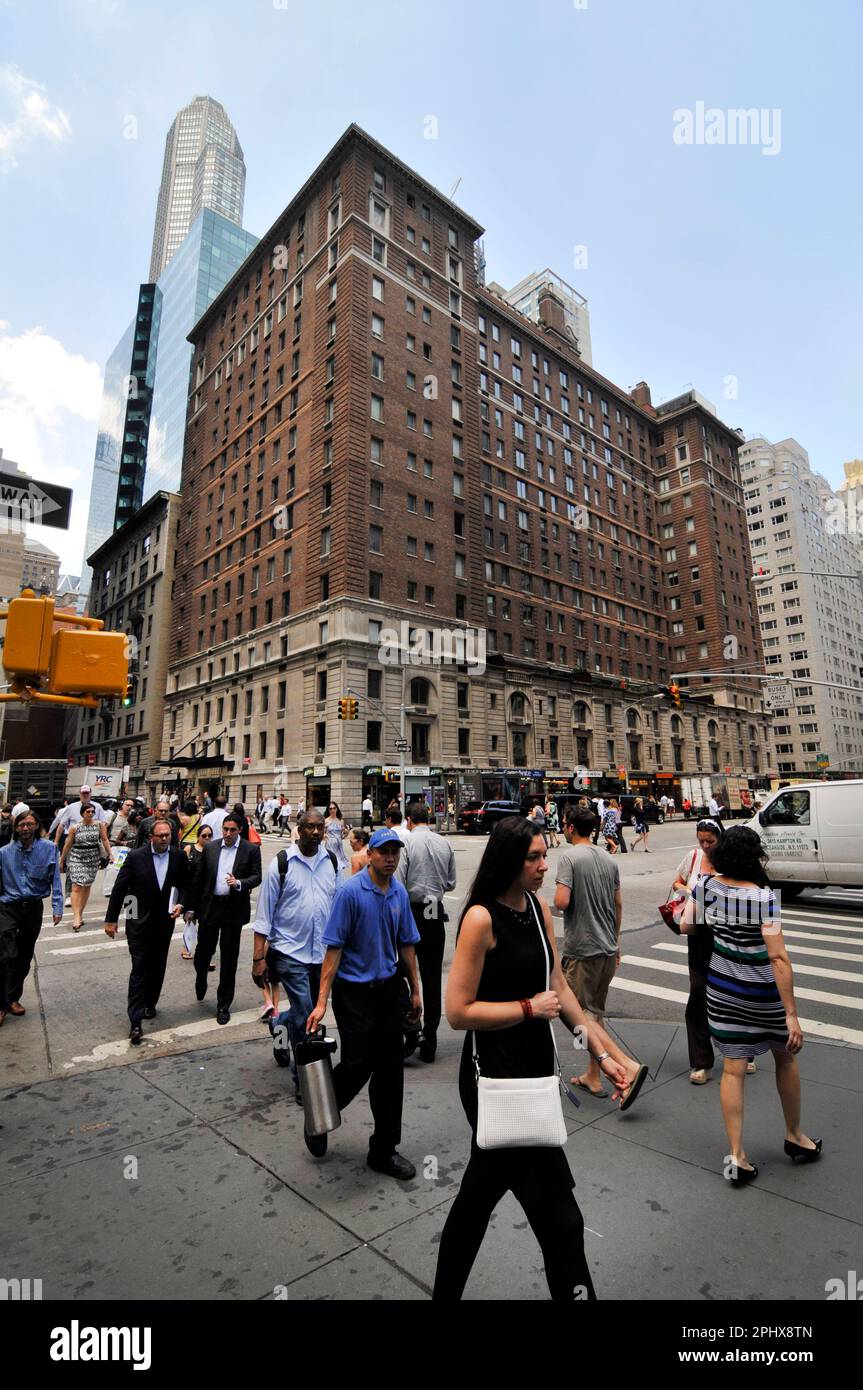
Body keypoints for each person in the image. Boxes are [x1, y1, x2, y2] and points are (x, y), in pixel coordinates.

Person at [432, 816, 634, 1302]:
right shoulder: (481, 917)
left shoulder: (537, 909)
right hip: (495, 1076)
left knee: (479, 1200)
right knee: (560, 1218)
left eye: (546, 855)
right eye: (534, 858)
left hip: (535, 1071)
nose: (545, 865)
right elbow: (457, 1012)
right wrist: (526, 1008)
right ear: (509, 861)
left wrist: (602, 1055)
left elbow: (560, 989)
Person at [680, 825, 821, 1183]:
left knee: (732, 1069)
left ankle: (737, 1156)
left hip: (724, 990)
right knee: (785, 1057)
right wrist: (791, 1014)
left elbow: (687, 925)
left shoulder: (707, 885)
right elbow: (778, 959)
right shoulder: (764, 899)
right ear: (755, 857)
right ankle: (795, 1136)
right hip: (763, 993)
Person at [305, 827, 421, 1175]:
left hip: (389, 990)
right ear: (369, 854)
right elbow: (333, 949)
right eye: (383, 852)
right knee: (358, 1063)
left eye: (394, 853)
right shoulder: (350, 893)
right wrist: (321, 1001)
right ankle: (319, 1115)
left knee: (390, 1071)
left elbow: (407, 945)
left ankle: (384, 1151)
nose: (389, 859)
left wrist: (415, 990)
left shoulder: (398, 892)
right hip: (354, 993)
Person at [554, 806, 648, 1101]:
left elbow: (562, 901)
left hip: (583, 949)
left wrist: (543, 906)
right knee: (593, 1014)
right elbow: (618, 904)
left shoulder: (569, 857)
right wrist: (616, 943)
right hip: (608, 948)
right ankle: (593, 1076)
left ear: (570, 827)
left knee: (576, 1015)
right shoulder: (608, 858)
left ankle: (624, 1067)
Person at [253, 810, 340, 1089]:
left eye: (319, 828)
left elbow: (339, 907)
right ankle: (303, 1080)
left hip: (322, 954)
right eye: (309, 828)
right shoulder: (281, 863)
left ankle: (280, 1024)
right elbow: (264, 916)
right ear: (298, 829)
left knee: (310, 1010)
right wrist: (258, 959)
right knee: (306, 1015)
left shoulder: (332, 861)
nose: (315, 833)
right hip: (290, 953)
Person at [104, 818, 191, 1043]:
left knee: (158, 964)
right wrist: (111, 919)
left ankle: (151, 1002)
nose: (164, 839)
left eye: (167, 835)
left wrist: (181, 903)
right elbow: (120, 887)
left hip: (164, 921)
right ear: (151, 836)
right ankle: (135, 1020)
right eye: (160, 835)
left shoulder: (179, 856)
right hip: (138, 919)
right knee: (139, 967)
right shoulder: (135, 856)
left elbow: (184, 884)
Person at [672, 818, 740, 1084]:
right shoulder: (692, 857)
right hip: (698, 934)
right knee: (698, 995)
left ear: (720, 838)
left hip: (727, 935)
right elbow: (675, 882)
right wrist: (689, 892)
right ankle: (701, 1062)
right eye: (701, 840)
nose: (705, 846)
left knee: (731, 994)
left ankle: (742, 1052)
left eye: (710, 841)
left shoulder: (732, 860)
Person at [183, 811, 262, 1025]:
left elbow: (256, 876)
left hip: (233, 910)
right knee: (204, 951)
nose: (227, 833)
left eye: (232, 830)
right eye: (225, 829)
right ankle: (201, 975)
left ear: (240, 831)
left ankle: (223, 1004)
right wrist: (190, 907)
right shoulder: (210, 847)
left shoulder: (250, 850)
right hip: (210, 906)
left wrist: (239, 883)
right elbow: (198, 880)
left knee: (229, 958)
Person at [395, 802, 456, 1063]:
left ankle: (411, 1028)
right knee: (432, 978)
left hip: (413, 911)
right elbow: (451, 882)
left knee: (401, 973)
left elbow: (398, 883)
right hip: (434, 912)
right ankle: (429, 1039)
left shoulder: (407, 843)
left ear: (409, 820)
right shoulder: (444, 843)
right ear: (428, 817)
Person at [0, 810, 63, 1025]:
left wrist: (57, 906)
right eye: (21, 825)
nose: (25, 828)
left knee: (24, 957)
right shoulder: (4, 852)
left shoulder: (49, 849)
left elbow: (55, 878)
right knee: (6, 955)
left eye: (29, 824)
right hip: (8, 907)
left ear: (36, 826)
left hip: (33, 908)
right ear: (16, 828)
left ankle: (12, 998)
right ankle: (1, 1003)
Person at [60, 803, 113, 931]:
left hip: (92, 858)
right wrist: (62, 860)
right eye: (88, 811)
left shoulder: (100, 825)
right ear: (82, 813)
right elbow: (68, 845)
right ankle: (76, 916)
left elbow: (105, 840)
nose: (90, 814)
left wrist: (110, 854)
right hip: (76, 858)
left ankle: (81, 913)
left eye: (92, 811)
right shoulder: (75, 827)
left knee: (87, 886)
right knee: (77, 886)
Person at [180, 823, 214, 960]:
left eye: (209, 836)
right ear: (198, 836)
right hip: (190, 889)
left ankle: (203, 952)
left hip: (206, 891)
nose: (207, 838)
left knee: (205, 924)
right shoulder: (190, 848)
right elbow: (181, 869)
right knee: (190, 920)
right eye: (204, 835)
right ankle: (186, 947)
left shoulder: (212, 851)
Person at [324, 802, 351, 869]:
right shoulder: (326, 821)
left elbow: (342, 837)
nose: (332, 810)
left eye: (334, 808)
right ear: (328, 810)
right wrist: (325, 836)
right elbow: (322, 834)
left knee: (340, 866)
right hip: (329, 844)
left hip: (339, 845)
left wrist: (347, 832)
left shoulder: (341, 821)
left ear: (337, 809)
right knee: (331, 864)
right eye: (330, 809)